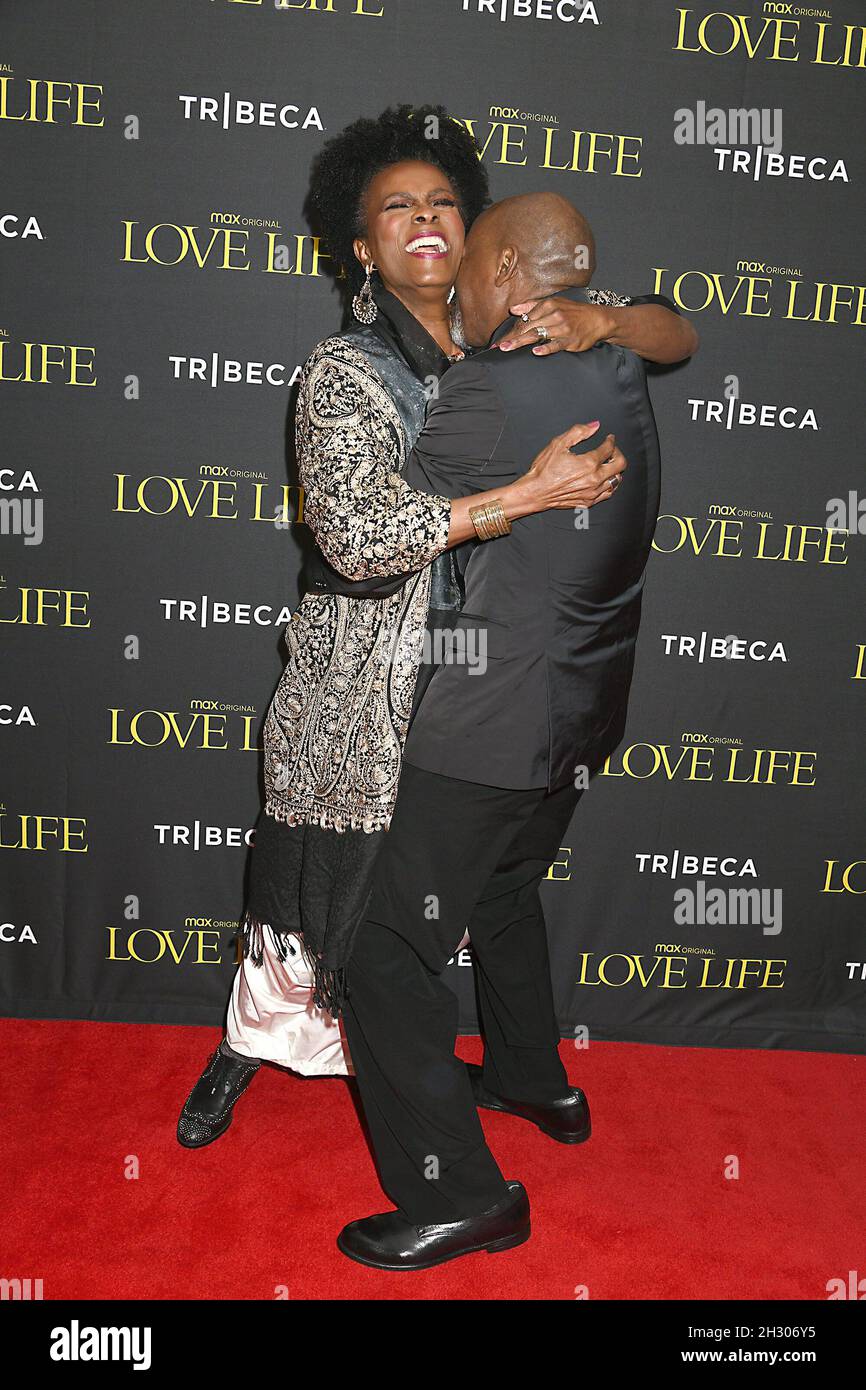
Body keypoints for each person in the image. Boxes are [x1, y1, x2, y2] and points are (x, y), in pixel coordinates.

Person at [177, 106, 696, 1149]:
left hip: (480, 689)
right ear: (360, 249)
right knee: (315, 887)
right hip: (363, 680)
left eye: (442, 202)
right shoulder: (341, 372)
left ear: (480, 238)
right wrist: (524, 495)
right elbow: (356, 540)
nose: (424, 219)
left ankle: (528, 1076)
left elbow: (674, 330)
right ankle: (249, 1041)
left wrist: (601, 318)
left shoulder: (527, 331)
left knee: (496, 890)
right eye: (394, 208)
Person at [335, 191, 673, 1270]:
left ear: (508, 281)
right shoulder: (617, 362)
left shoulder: (483, 387)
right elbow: (668, 324)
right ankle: (535, 1076)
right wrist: (604, 316)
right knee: (502, 891)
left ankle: (459, 1194)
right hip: (582, 715)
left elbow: (379, 529)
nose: (460, 286)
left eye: (472, 264)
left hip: (487, 724)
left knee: (381, 949)